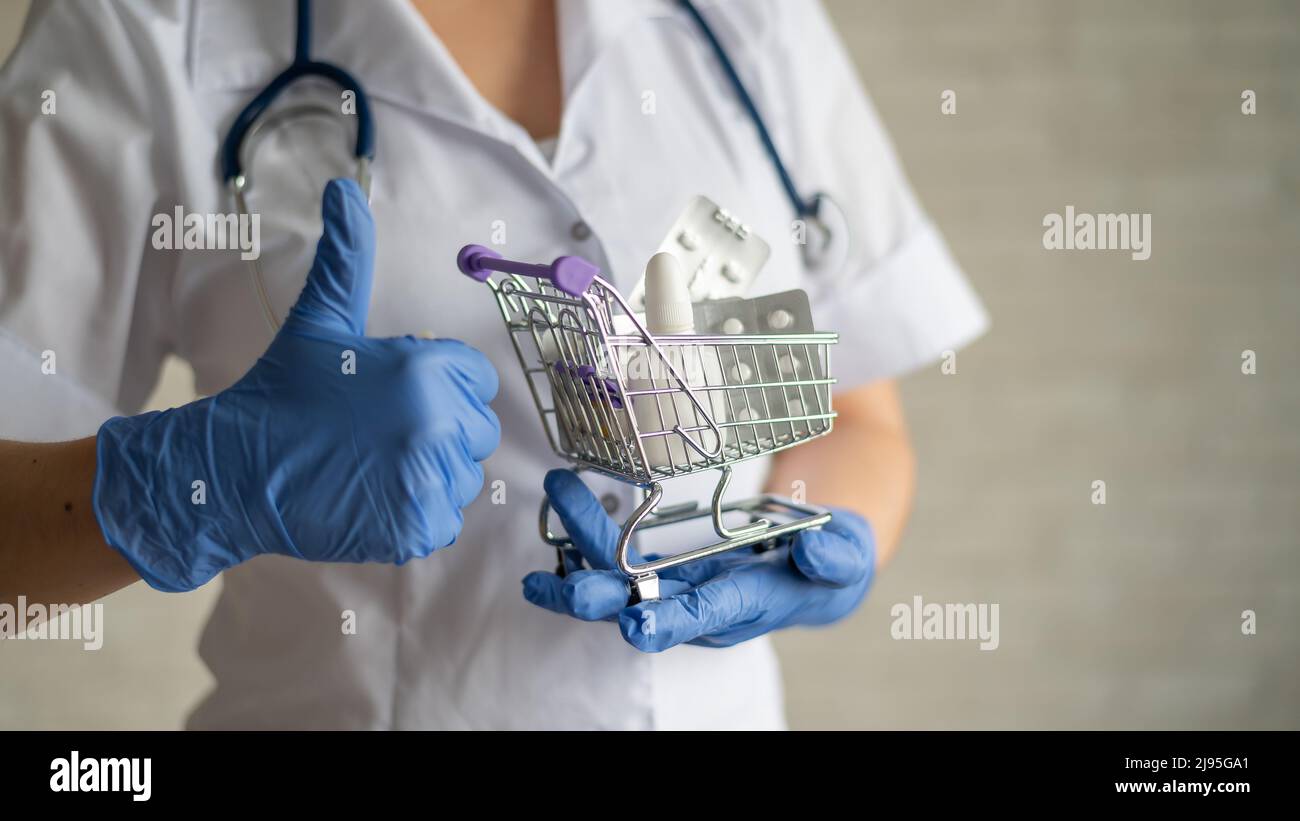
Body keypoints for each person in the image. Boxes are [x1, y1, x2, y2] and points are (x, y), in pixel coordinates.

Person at [0, 0, 987, 729]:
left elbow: (859, 419)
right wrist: (197, 481)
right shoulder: (137, 31)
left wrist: (795, 537)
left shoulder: (748, 27)